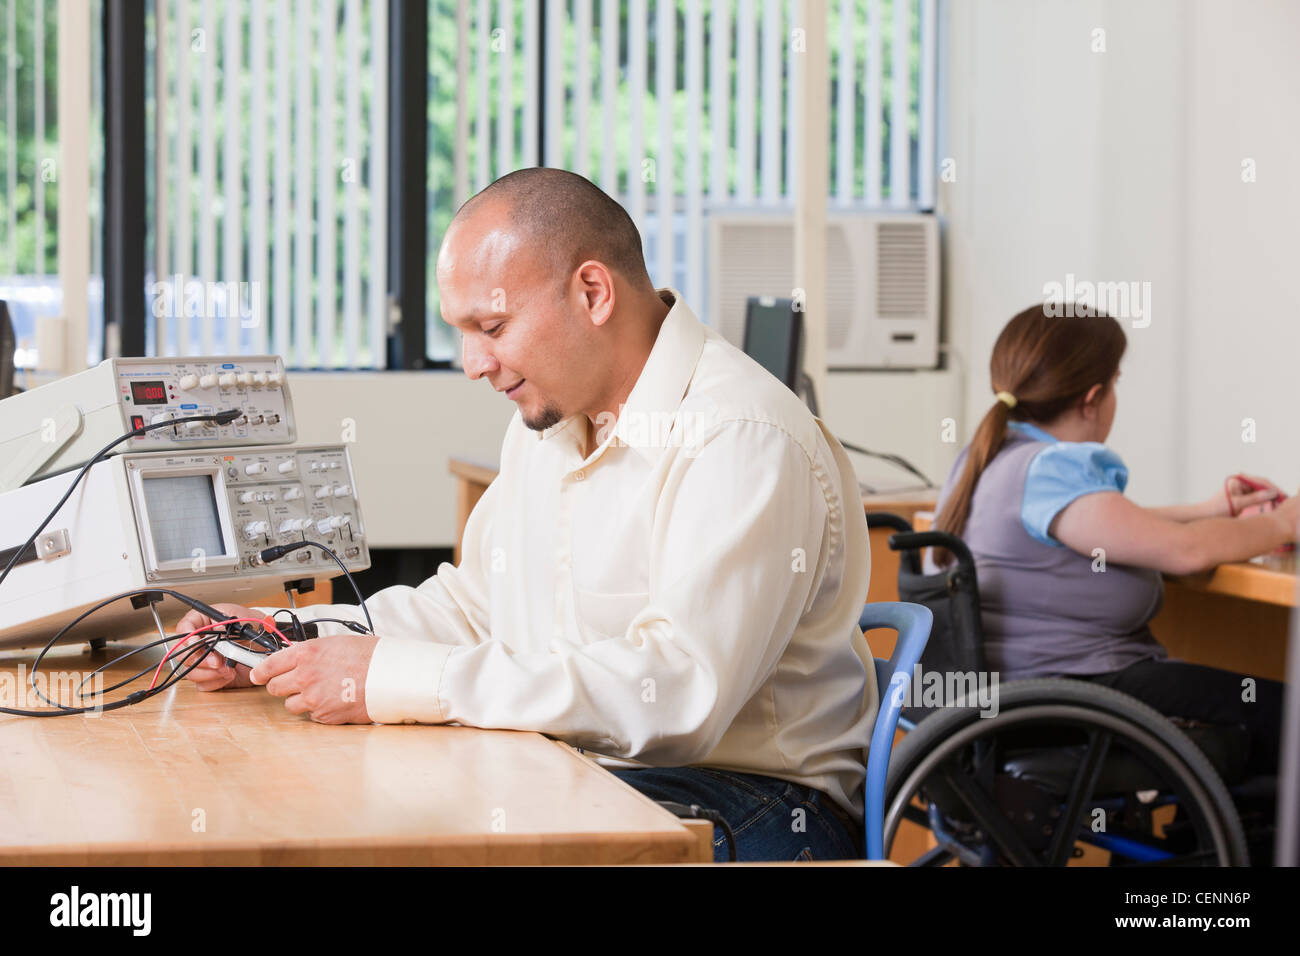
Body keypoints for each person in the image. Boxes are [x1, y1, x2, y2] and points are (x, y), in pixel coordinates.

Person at [173, 167, 874, 862]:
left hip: (756, 801)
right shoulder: (549, 425)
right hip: (591, 768)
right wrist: (291, 643)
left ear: (593, 293)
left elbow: (674, 697)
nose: (474, 363)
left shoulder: (740, 436)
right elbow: (474, 607)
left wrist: (395, 679)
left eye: (493, 325)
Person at [931, 304, 1298, 788]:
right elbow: (1184, 552)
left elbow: (1113, 528)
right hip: (1079, 694)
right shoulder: (1052, 467)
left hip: (1025, 696)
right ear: (1093, 397)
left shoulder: (993, 459)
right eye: (1116, 383)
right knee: (1281, 715)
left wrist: (1211, 510)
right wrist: (1282, 523)